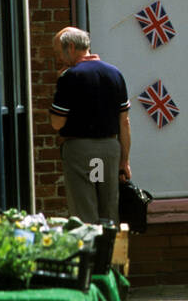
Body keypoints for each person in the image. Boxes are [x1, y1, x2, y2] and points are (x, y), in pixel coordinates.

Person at [49, 26, 132, 224]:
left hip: (80, 151)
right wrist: (125, 160)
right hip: (108, 151)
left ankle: (90, 253)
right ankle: (109, 252)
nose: (59, 59)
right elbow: (124, 122)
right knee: (108, 208)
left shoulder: (70, 77)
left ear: (70, 47)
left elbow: (57, 122)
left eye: (59, 53)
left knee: (84, 211)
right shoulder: (115, 74)